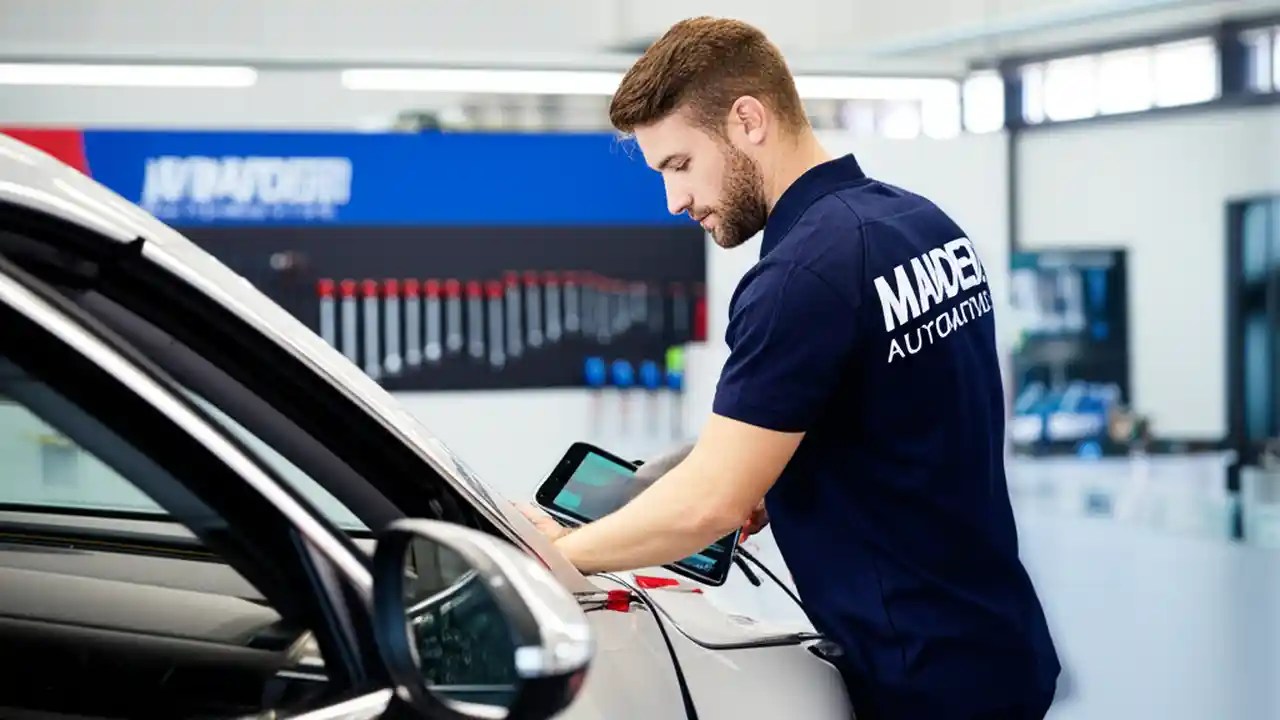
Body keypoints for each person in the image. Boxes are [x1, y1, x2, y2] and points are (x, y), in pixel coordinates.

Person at [519, 16, 1061, 720]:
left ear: (748, 120)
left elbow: (708, 506)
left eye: (679, 165)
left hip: (918, 679)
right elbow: (899, 414)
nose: (674, 201)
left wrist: (562, 553)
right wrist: (781, 479)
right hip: (994, 643)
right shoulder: (923, 225)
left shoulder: (801, 275)